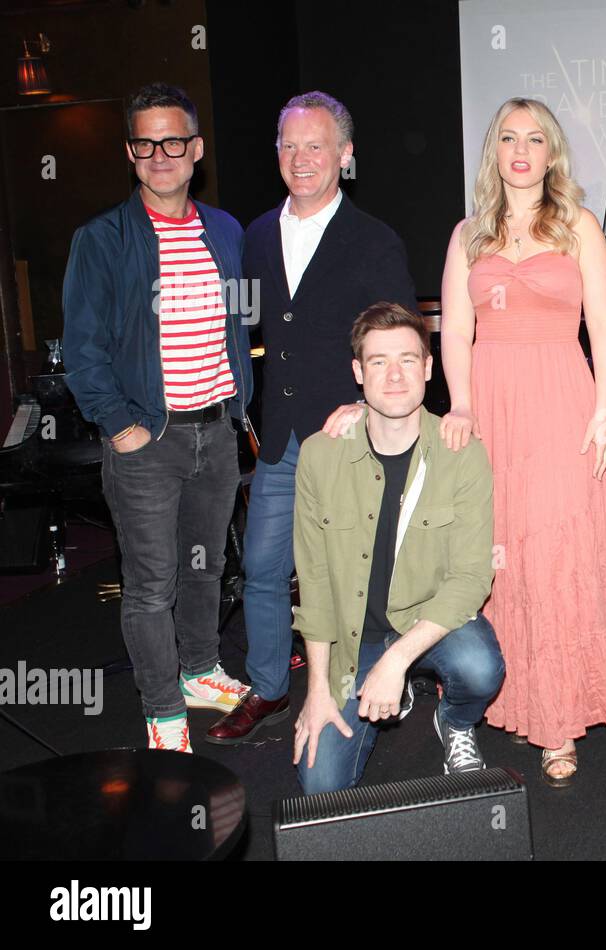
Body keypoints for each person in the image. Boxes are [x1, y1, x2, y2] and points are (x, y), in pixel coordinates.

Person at [439, 97, 606, 786]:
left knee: (560, 546)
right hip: (492, 408)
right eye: (508, 137)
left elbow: (604, 323)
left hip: (563, 399)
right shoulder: (468, 234)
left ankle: (558, 717)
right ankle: (495, 693)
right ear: (493, 151)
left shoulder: (579, 226)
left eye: (535, 138)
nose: (522, 149)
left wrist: (603, 410)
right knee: (500, 550)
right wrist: (462, 405)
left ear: (553, 152)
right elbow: (455, 334)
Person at [207, 92, 419, 745]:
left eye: (316, 146)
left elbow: (400, 338)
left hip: (355, 437)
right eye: (289, 146)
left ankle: (379, 678)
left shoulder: (375, 239)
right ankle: (269, 687)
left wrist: (367, 404)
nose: (301, 159)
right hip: (278, 438)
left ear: (344, 156)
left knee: (361, 569)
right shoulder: (254, 237)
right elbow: (239, 328)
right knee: (264, 569)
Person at [63, 82, 253, 751]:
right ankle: (162, 709)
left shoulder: (226, 231)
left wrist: (240, 408)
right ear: (130, 152)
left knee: (205, 568)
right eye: (146, 143)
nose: (160, 154)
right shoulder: (102, 240)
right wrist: (120, 424)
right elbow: (82, 348)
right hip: (150, 437)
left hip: (217, 431)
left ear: (196, 150)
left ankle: (200, 671)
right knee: (151, 584)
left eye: (174, 141)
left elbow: (239, 325)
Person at [291, 303, 503, 793]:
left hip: (426, 622)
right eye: (378, 362)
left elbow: (472, 578)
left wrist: (396, 661)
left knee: (480, 665)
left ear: (429, 369)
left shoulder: (460, 451)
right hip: (353, 640)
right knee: (320, 789)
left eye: (408, 360)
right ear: (357, 373)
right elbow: (315, 583)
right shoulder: (320, 455)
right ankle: (382, 684)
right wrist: (317, 691)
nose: (393, 376)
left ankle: (454, 721)